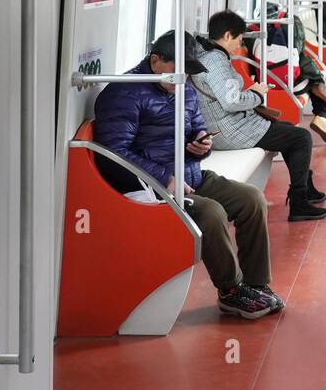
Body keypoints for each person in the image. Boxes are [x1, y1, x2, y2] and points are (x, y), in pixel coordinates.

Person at [92, 31, 283, 320]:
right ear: (156, 60)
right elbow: (114, 154)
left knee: (251, 198)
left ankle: (256, 285)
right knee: (211, 213)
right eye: (176, 69)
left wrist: (201, 146)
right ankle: (231, 291)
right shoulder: (124, 93)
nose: (181, 78)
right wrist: (164, 177)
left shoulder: (185, 88)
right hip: (150, 185)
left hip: (190, 176)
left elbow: (196, 130)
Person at [193, 10, 326, 221]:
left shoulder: (208, 56)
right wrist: (257, 94)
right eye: (238, 39)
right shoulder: (216, 62)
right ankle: (299, 202)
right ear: (227, 35)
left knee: (288, 132)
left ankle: (305, 188)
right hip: (230, 131)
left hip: (227, 126)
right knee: (301, 138)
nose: (239, 45)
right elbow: (232, 101)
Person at [261, 1, 326, 146]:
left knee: (309, 77)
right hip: (287, 83)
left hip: (265, 80)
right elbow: (299, 49)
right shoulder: (290, 23)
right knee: (313, 80)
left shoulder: (253, 31)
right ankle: (321, 116)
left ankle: (320, 114)